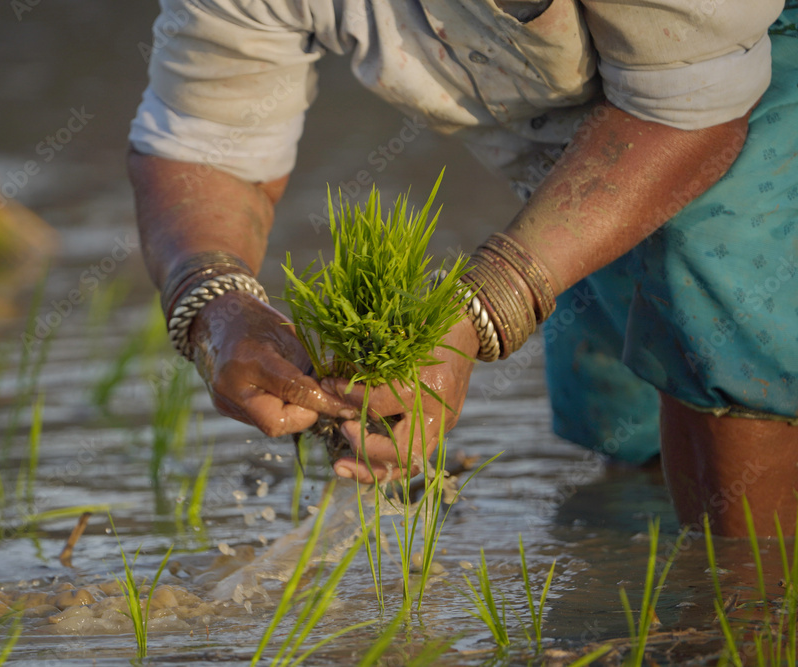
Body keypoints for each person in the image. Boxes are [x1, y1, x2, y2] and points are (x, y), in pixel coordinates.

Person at [127, 0, 798, 537]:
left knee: (725, 334)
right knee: (624, 421)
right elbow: (202, 142)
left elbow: (690, 112)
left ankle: (748, 614)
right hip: (577, 124)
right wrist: (218, 307)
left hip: (741, 65)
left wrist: (476, 313)